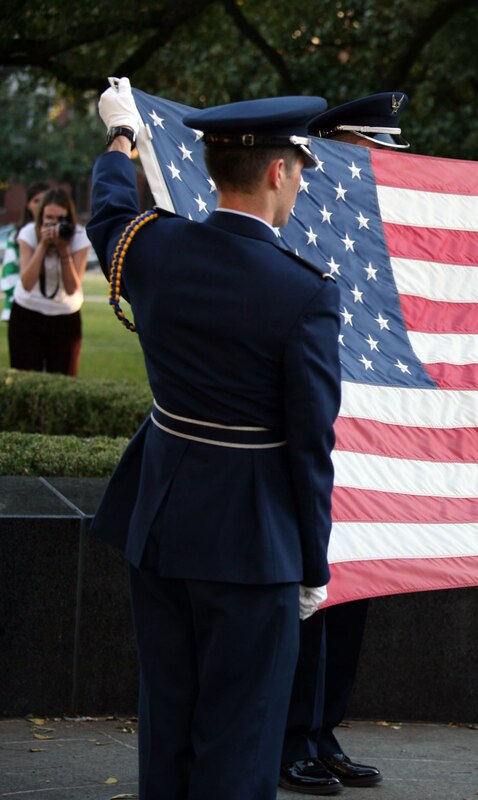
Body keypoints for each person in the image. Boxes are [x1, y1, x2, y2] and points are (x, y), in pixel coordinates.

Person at [87, 78, 341, 799]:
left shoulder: (153, 247)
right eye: (297, 172)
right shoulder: (305, 292)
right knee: (241, 736)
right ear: (275, 172)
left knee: (168, 722)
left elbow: (108, 212)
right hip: (252, 545)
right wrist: (314, 566)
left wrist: (120, 138)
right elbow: (309, 445)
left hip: (161, 521)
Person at [275, 91, 409, 796]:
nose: (380, 164)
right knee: (310, 589)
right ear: (329, 150)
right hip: (314, 432)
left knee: (351, 595)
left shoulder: (379, 228)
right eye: (370, 148)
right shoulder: (304, 217)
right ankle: (290, 736)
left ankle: (323, 730)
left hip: (372, 434)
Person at [10, 185, 90, 374]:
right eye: (49, 219)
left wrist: (64, 251)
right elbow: (27, 284)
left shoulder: (79, 236)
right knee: (25, 381)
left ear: (69, 218)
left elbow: (72, 288)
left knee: (63, 381)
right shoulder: (29, 232)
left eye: (60, 219)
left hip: (65, 315)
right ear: (40, 218)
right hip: (27, 313)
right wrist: (42, 246)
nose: (54, 225)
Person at [2, 181, 51, 323]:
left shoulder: (62, 234)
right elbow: (9, 269)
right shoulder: (18, 235)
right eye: (36, 201)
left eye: (45, 200)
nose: (41, 205)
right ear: (28, 204)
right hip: (24, 300)